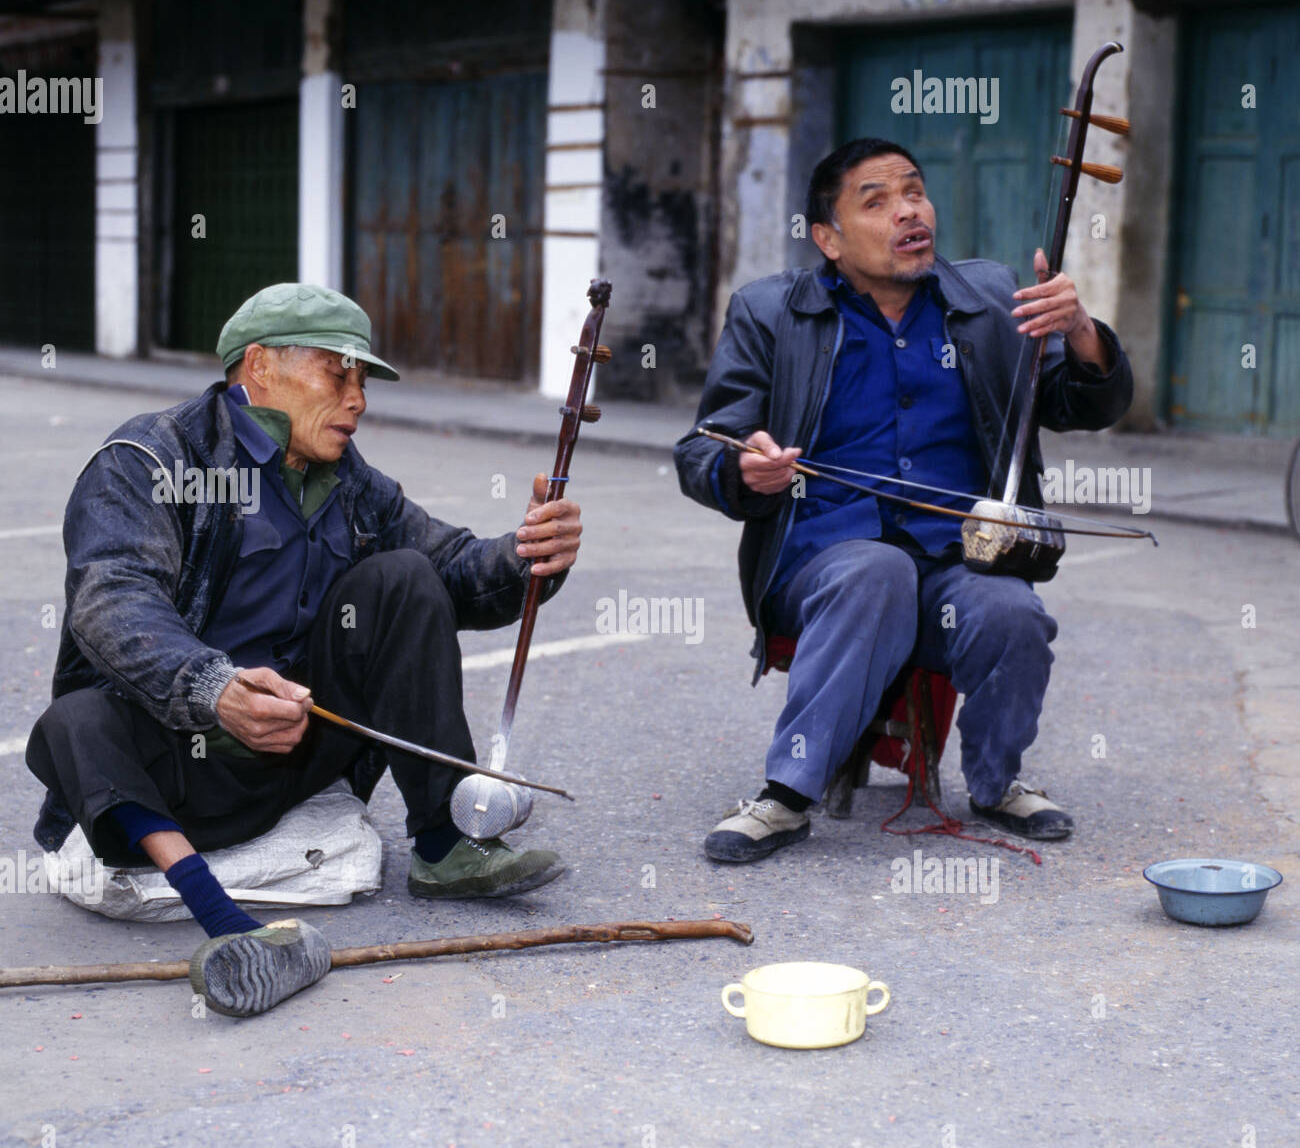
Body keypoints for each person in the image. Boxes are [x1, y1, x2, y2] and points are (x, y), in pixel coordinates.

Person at [27, 283, 582, 1015]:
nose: (357, 400)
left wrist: (528, 553)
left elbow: (454, 572)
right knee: (78, 718)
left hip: (299, 751)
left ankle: (446, 842)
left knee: (404, 577)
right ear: (258, 366)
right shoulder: (151, 455)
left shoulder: (350, 481)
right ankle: (225, 923)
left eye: (362, 380)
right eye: (337, 373)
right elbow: (113, 597)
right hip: (180, 766)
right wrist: (214, 688)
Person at [674, 138, 1133, 863]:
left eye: (914, 191)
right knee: (875, 572)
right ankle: (787, 796)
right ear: (826, 238)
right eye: (876, 200)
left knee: (1011, 611)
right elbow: (703, 447)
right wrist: (744, 470)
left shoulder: (986, 301)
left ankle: (995, 782)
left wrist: (1079, 331)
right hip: (824, 565)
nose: (908, 211)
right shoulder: (771, 313)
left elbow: (1082, 402)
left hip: (959, 556)